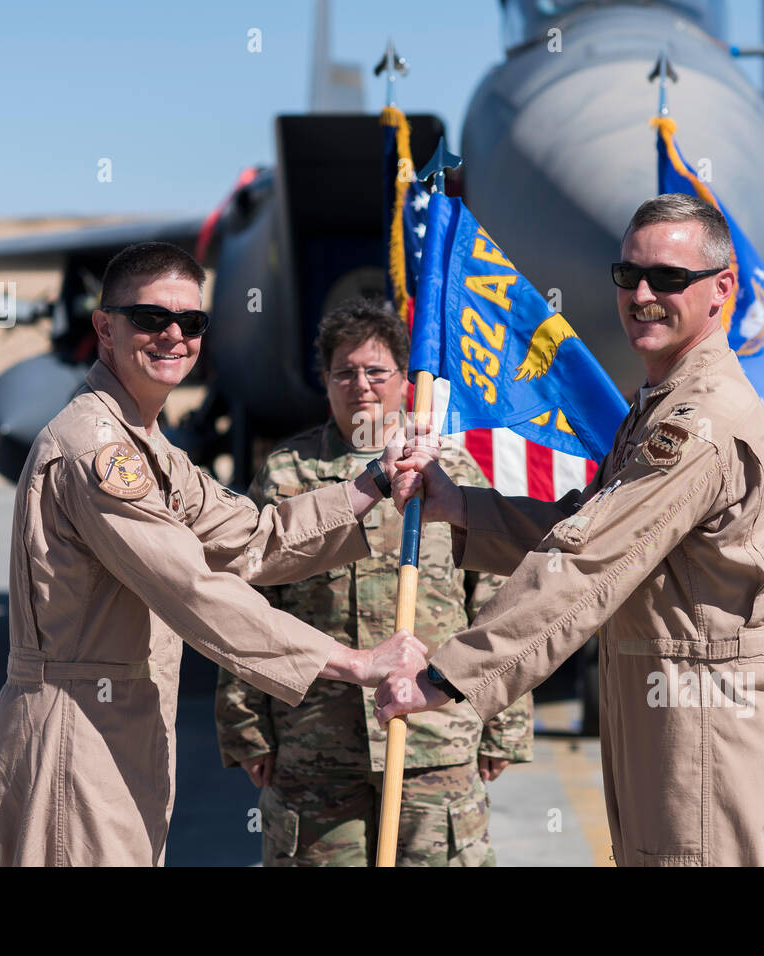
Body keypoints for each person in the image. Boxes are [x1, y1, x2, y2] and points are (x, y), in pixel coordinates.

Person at [377, 194, 764, 866]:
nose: (643, 295)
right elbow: (584, 523)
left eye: (668, 278)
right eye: (629, 275)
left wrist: (449, 676)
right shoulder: (660, 405)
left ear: (722, 289)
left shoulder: (700, 423)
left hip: (705, 728)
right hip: (663, 713)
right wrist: (459, 506)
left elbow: (591, 560)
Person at [0, 242, 427, 867]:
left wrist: (371, 483)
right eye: (151, 318)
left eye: (191, 322)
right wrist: (352, 662)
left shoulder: (148, 446)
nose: (173, 336)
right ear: (104, 328)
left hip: (119, 732)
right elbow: (193, 591)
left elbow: (253, 539)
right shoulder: (97, 451)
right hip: (73, 739)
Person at [214, 298, 532, 867]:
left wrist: (505, 722)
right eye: (344, 371)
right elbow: (244, 602)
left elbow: (497, 603)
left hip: (434, 735)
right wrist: (246, 726)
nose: (361, 385)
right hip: (314, 742)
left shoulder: (449, 472)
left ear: (406, 381)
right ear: (326, 380)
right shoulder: (290, 473)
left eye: (376, 370)